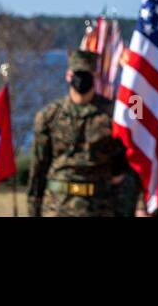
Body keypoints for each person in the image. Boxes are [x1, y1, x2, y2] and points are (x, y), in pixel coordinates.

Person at [28, 50, 129, 217]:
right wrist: (33, 211)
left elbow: (123, 166)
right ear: (68, 76)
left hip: (99, 207)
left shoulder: (113, 115)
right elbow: (38, 170)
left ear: (95, 76)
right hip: (57, 207)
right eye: (78, 74)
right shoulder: (49, 116)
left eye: (87, 74)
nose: (82, 79)